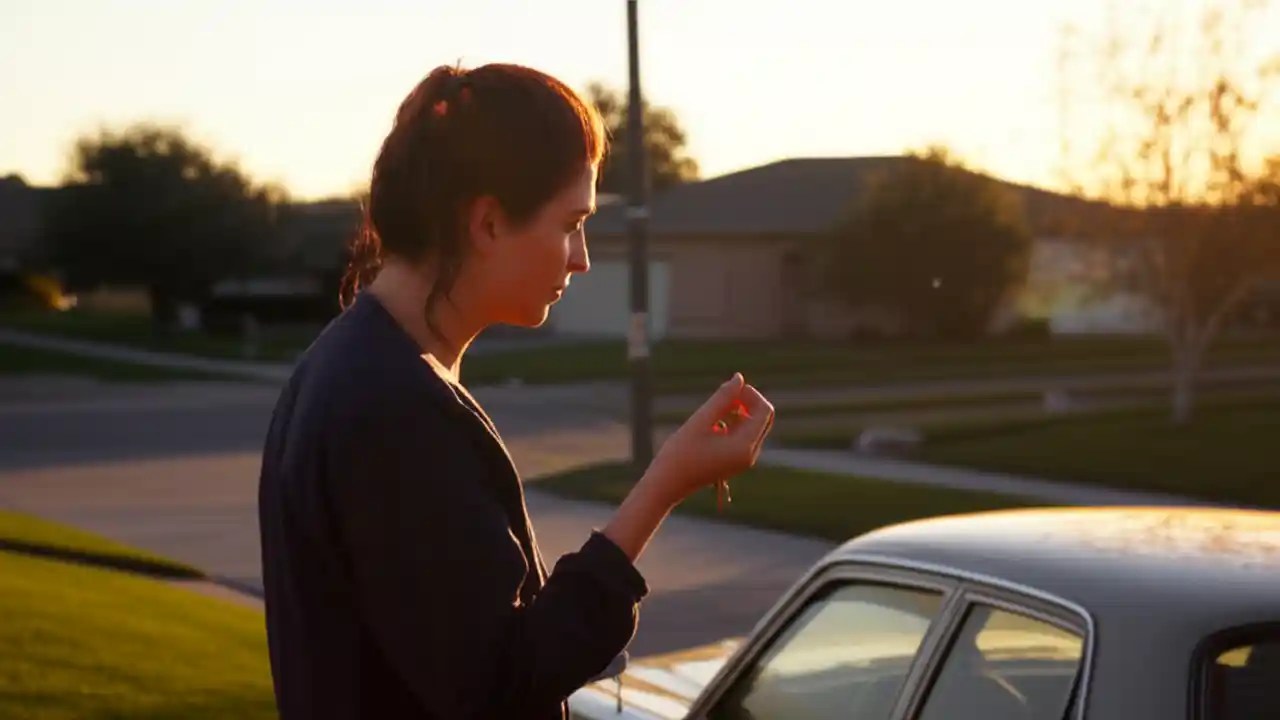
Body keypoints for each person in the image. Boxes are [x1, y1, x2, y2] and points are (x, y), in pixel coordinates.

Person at [257, 62, 775, 720]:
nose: (581, 257)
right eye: (569, 224)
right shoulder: (392, 405)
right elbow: (500, 682)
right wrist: (664, 485)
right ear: (489, 223)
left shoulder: (354, 368)